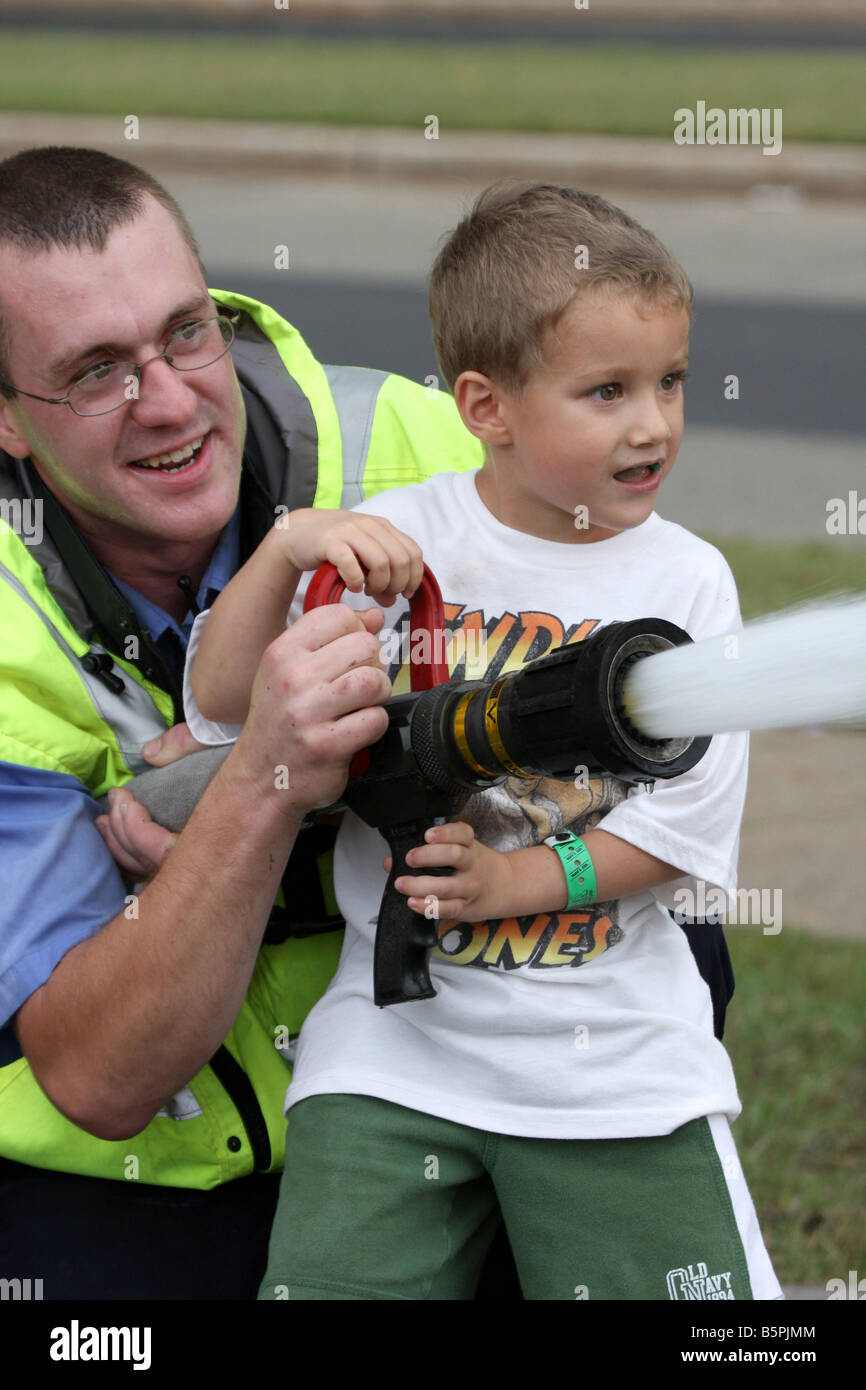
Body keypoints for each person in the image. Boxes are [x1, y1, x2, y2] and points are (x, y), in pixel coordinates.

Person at [160, 183, 782, 1300]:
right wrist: (288, 546)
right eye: (606, 391)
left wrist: (508, 880)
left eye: (668, 382)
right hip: (391, 1062)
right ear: (485, 406)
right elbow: (218, 708)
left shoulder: (686, 580)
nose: (651, 423)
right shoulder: (406, 547)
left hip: (616, 1067)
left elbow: (683, 832)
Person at [0, 145, 484, 1299]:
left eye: (183, 331)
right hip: (139, 1169)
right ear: (10, 421)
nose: (168, 400)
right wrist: (266, 775)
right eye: (95, 371)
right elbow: (98, 1068)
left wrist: (218, 813)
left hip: (449, 1100)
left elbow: (648, 758)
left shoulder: (425, 442)